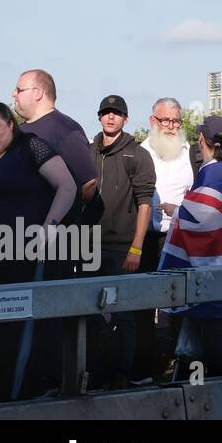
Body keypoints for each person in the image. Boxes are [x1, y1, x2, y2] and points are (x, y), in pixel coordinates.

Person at [0, 102, 77, 401]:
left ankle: (26, 391)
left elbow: (67, 187)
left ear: (10, 125)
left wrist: (49, 226)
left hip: (33, 252)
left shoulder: (31, 146)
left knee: (27, 327)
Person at [158, 116, 222, 381]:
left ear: (202, 139)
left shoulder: (215, 171)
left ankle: (219, 378)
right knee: (204, 323)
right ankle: (201, 378)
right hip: (216, 261)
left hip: (212, 263)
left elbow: (205, 214)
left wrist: (179, 209)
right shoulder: (220, 168)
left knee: (211, 323)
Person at [88, 95, 157, 388]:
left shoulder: (138, 155)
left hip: (122, 248)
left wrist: (136, 247)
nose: (111, 117)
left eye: (116, 113)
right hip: (88, 247)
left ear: (126, 119)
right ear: (100, 117)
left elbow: (145, 203)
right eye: (106, 113)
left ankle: (121, 377)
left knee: (124, 316)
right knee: (89, 314)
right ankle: (92, 374)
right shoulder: (88, 151)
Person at [139, 98, 193, 382]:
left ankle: (179, 360)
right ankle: (146, 365)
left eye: (176, 121)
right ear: (153, 122)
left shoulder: (189, 152)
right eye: (165, 121)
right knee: (146, 304)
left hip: (180, 236)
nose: (171, 126)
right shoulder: (141, 152)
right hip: (148, 238)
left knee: (180, 301)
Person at [12, 69, 97, 223]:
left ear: (38, 93)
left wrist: (64, 215)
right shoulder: (20, 131)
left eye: (19, 90)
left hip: (54, 237)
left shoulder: (66, 130)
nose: (13, 94)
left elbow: (88, 184)